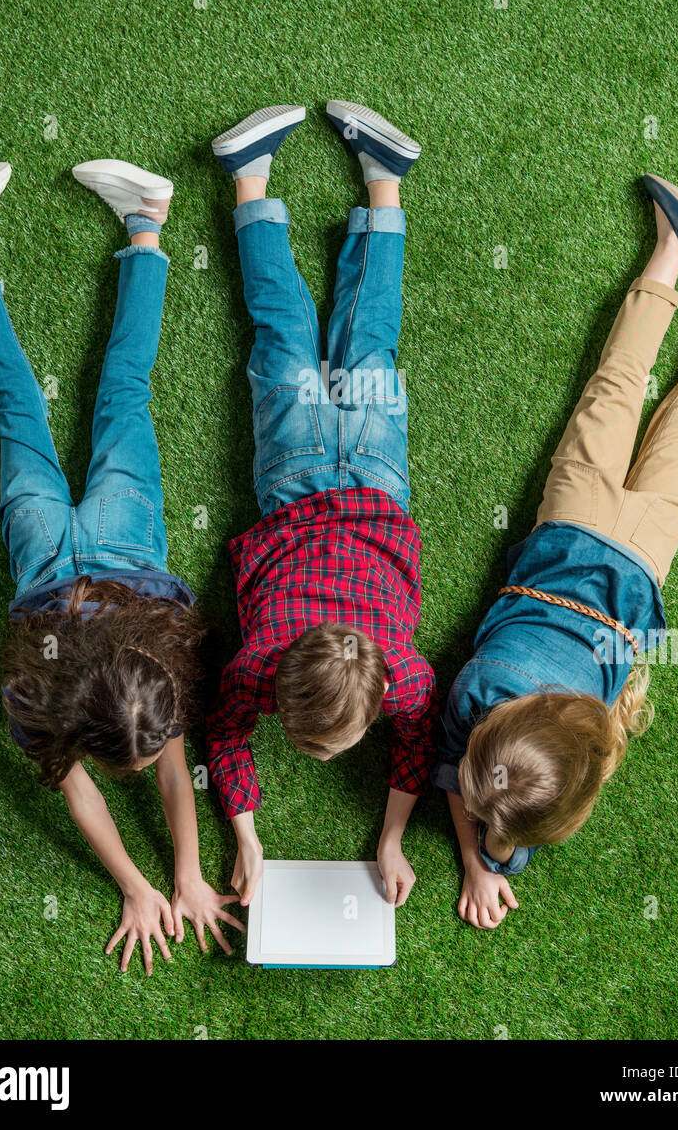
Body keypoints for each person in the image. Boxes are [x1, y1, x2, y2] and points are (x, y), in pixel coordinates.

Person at [432, 174, 678, 929]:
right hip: (574, 521)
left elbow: (505, 824)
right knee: (616, 389)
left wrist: (490, 856)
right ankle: (672, 251)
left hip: (646, 555)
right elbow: (464, 782)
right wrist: (483, 852)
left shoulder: (597, 730)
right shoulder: (478, 688)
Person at [0, 158, 243, 972]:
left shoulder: (152, 677)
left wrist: (172, 878)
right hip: (46, 552)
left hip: (121, 536)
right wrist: (154, 881)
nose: (147, 764)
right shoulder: (37, 695)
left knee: (124, 390)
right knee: (19, 408)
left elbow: (154, 772)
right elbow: (111, 784)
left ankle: (146, 223)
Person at [204, 101, 438, 908]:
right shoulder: (261, 662)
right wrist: (386, 836)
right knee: (283, 333)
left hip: (373, 476)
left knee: (368, 337)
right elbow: (228, 734)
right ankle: (250, 176)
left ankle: (384, 183)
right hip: (296, 474)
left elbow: (225, 736)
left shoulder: (402, 673)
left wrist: (249, 837)